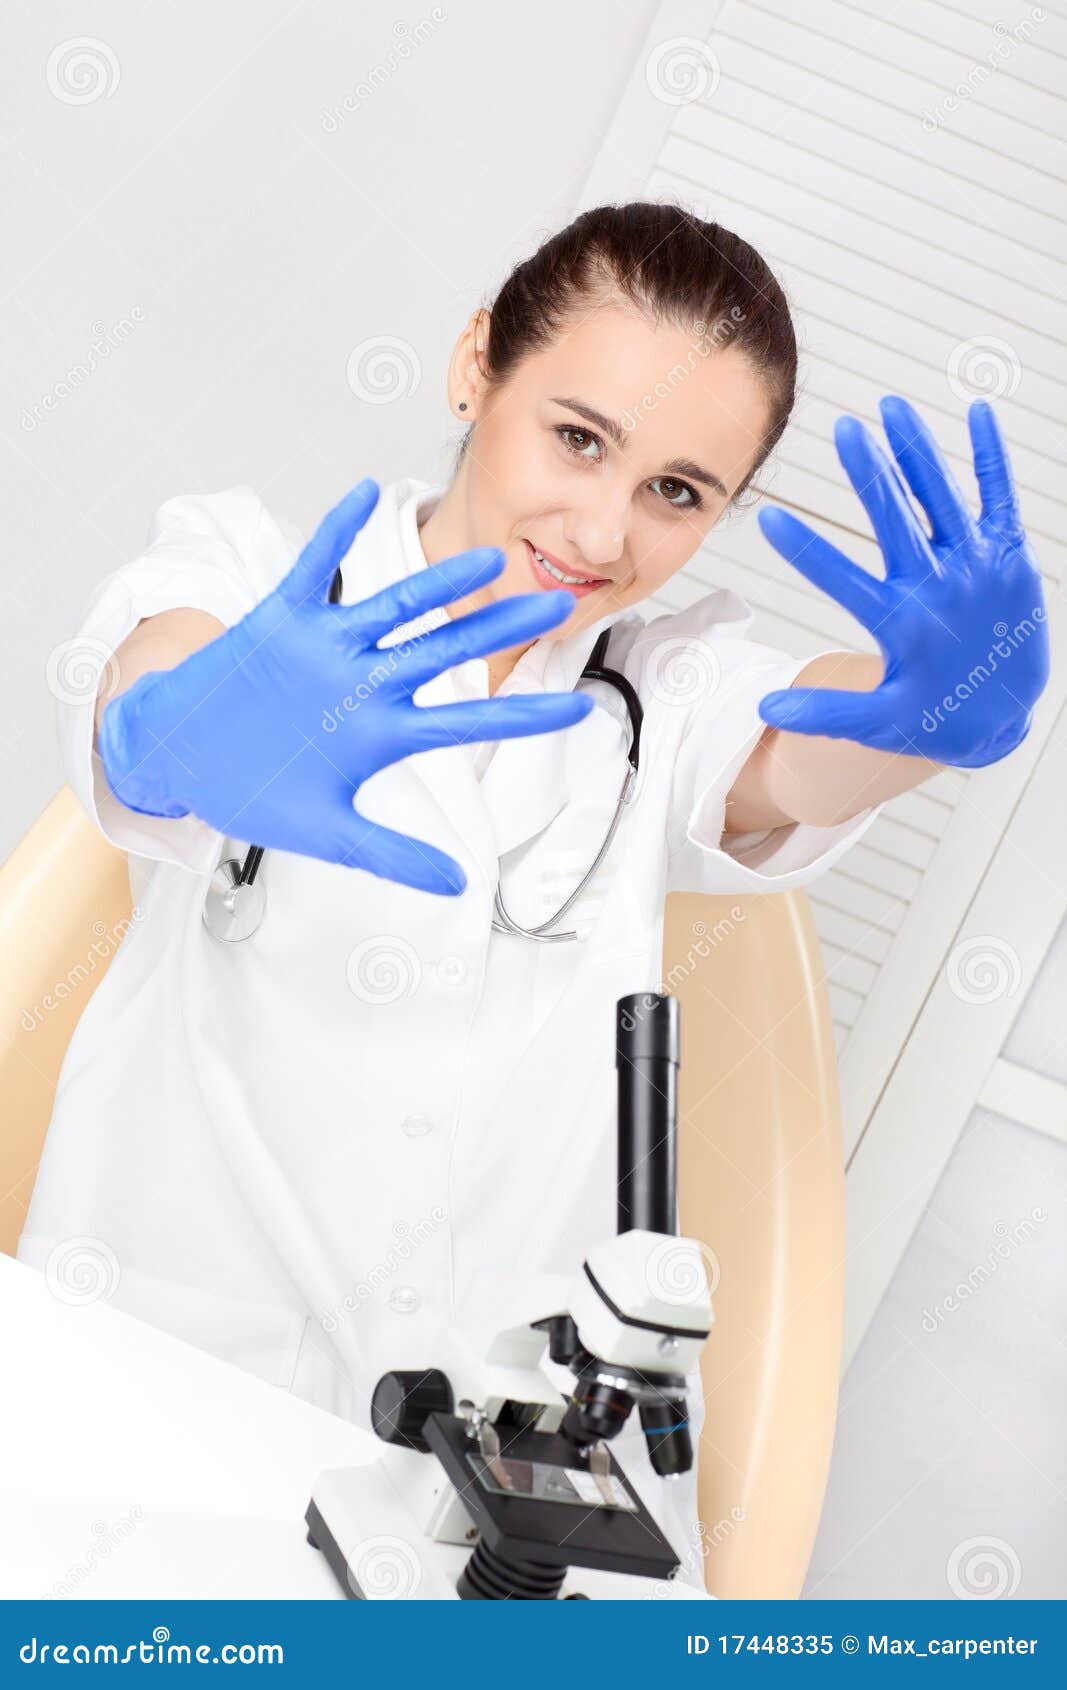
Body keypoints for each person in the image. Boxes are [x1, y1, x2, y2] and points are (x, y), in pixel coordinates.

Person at [18, 202, 1048, 1586]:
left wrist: (934, 715)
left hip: (497, 1480)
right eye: (579, 436)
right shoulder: (252, 571)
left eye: (680, 492)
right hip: (166, 1401)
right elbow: (148, 698)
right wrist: (195, 732)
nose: (603, 529)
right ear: (473, 365)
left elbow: (801, 750)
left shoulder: (663, 695)